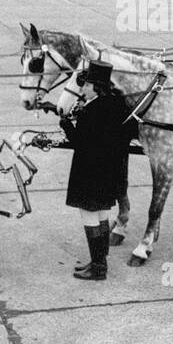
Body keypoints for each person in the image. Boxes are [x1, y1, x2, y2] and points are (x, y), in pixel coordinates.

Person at [60, 60, 139, 281]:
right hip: (109, 174)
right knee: (103, 216)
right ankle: (100, 263)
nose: (83, 89)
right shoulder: (119, 105)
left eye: (86, 86)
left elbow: (79, 141)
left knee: (89, 216)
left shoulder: (91, 110)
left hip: (89, 174)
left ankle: (97, 267)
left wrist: (65, 123)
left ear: (96, 87)